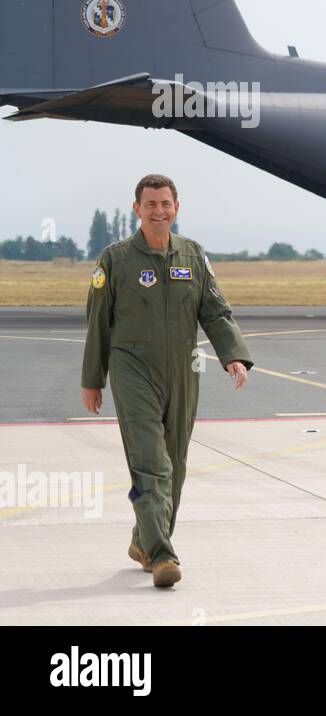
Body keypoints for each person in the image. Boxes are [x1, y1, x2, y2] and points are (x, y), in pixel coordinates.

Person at [80, 174, 253, 588]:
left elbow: (214, 309)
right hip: (132, 370)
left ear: (177, 208)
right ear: (136, 209)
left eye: (165, 204)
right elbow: (98, 323)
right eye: (150, 204)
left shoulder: (193, 255)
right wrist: (93, 380)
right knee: (150, 463)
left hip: (182, 371)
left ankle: (143, 540)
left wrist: (234, 355)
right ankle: (162, 555)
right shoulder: (114, 260)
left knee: (174, 466)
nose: (159, 211)